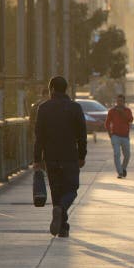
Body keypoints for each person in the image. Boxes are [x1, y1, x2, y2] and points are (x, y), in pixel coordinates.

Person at [32, 76, 87, 238]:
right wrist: (82, 155)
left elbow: (39, 136)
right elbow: (82, 135)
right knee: (71, 189)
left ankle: (63, 227)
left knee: (56, 191)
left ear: (52, 90)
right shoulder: (75, 108)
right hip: (70, 156)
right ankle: (62, 211)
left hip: (51, 157)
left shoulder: (43, 108)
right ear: (66, 89)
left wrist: (37, 159)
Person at [105, 94, 134, 179]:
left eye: (121, 101)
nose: (119, 103)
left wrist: (122, 113)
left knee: (127, 155)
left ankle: (123, 168)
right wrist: (109, 133)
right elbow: (107, 123)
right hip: (115, 136)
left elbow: (131, 119)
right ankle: (120, 172)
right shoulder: (112, 111)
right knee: (116, 154)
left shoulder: (127, 110)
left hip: (125, 136)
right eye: (118, 101)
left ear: (124, 102)